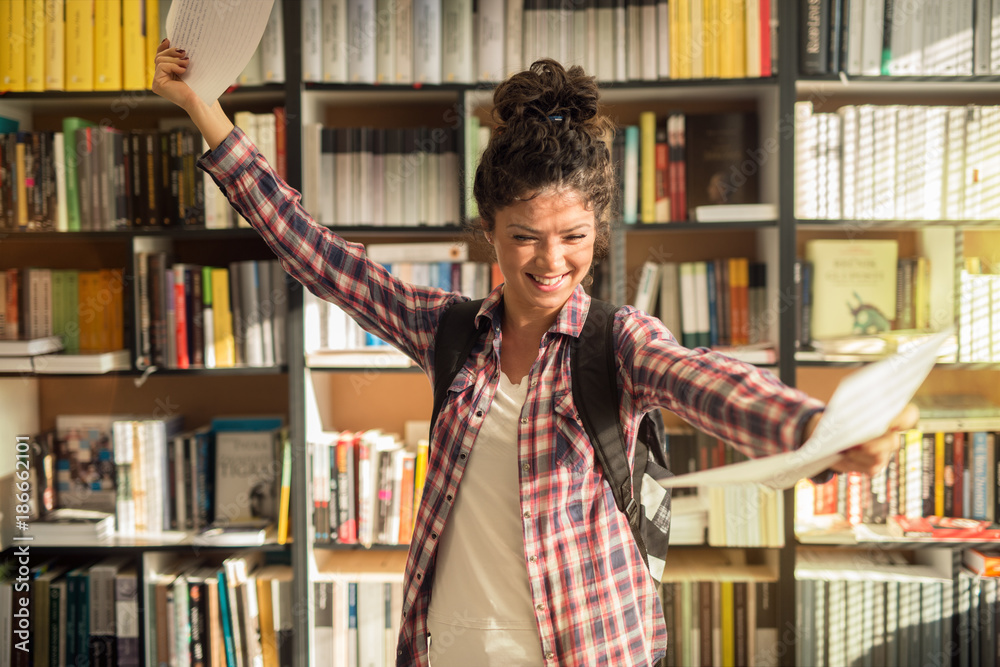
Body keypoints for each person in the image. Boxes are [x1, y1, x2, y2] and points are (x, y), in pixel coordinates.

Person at [153, 42, 917, 666]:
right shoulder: (449, 333)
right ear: (489, 229)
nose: (551, 261)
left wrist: (824, 429)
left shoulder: (616, 345)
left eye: (575, 238)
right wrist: (204, 111)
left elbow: (706, 381)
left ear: (599, 231)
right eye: (524, 236)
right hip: (452, 647)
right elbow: (320, 258)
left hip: (589, 649)